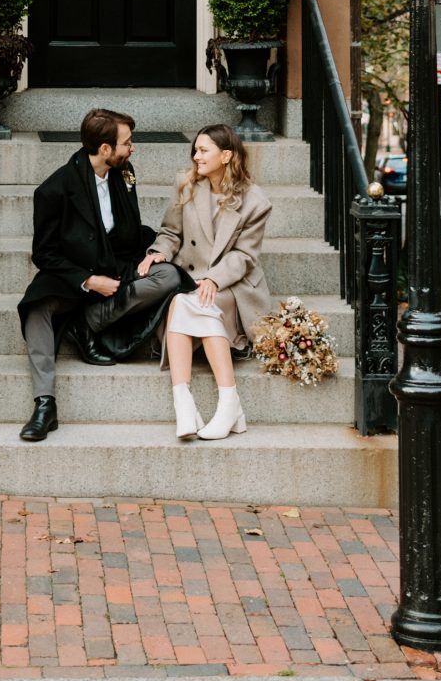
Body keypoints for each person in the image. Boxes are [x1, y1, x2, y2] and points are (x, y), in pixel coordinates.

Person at [15, 107, 189, 443]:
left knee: (169, 276)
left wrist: (157, 251)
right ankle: (44, 403)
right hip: (74, 273)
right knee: (36, 306)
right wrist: (87, 280)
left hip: (118, 266)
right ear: (105, 149)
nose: (132, 148)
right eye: (127, 142)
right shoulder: (54, 190)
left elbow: (131, 230)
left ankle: (89, 322)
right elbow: (45, 254)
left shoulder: (125, 173)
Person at [144, 123, 272, 442]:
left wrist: (214, 278)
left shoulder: (254, 201)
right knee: (184, 299)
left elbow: (244, 256)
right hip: (191, 277)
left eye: (204, 150)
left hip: (233, 284)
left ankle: (227, 403)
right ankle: (186, 401)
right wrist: (158, 253)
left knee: (200, 302)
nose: (196, 156)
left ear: (226, 155)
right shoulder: (187, 186)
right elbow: (170, 233)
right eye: (195, 150)